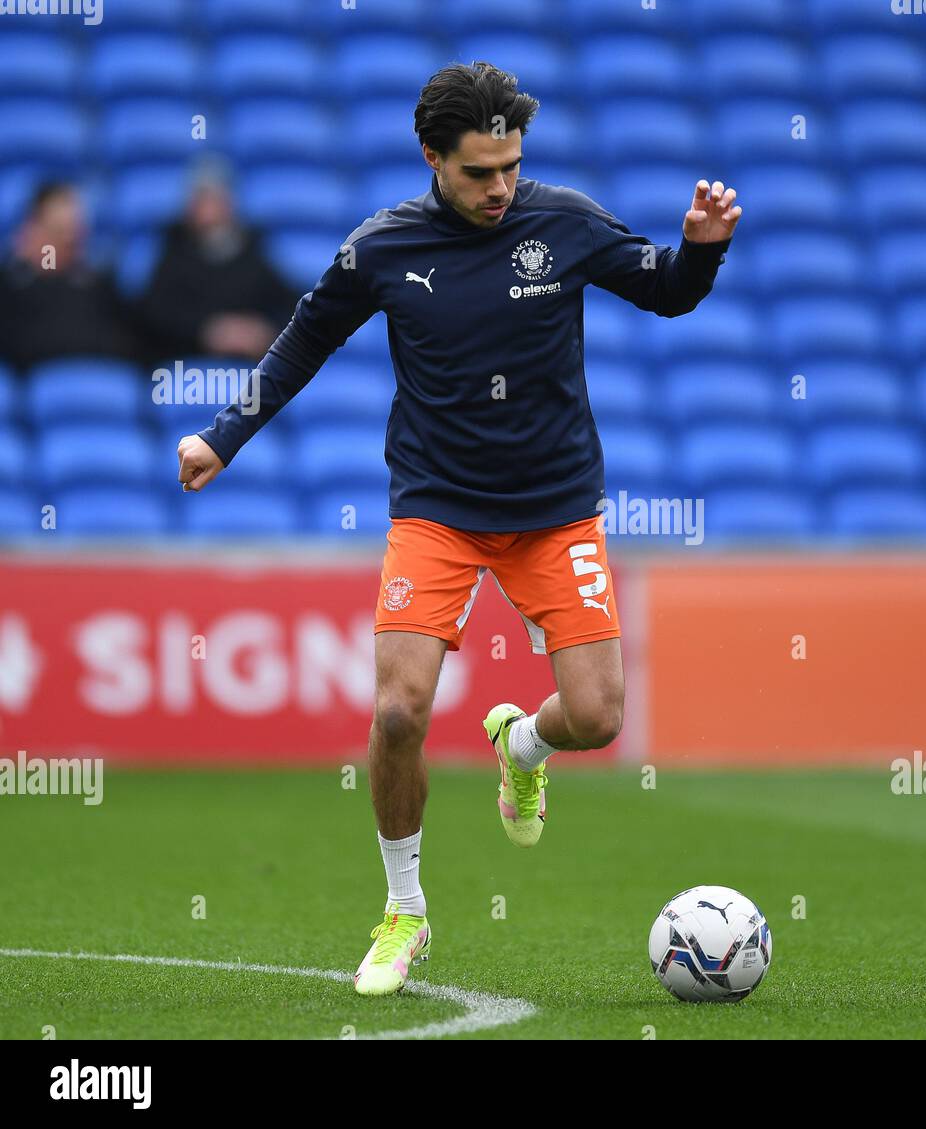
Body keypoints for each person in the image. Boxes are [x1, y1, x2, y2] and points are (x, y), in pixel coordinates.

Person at [176, 61, 740, 996]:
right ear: (432, 158)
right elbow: (303, 341)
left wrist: (703, 248)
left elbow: (670, 292)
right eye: (480, 172)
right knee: (398, 709)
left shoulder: (563, 223)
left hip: (556, 507)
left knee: (597, 718)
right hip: (437, 506)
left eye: (512, 166)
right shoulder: (383, 249)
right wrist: (224, 436)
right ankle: (405, 910)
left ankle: (522, 746)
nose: (501, 188)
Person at [136, 157, 298, 362]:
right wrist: (208, 331)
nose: (209, 209)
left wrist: (261, 331)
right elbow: (152, 315)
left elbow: (289, 304)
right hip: (184, 368)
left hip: (248, 370)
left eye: (215, 198)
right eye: (202, 199)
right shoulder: (172, 250)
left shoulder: (253, 250)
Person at [0, 181, 140, 370]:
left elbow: (125, 343)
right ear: (32, 232)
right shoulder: (12, 287)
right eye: (59, 232)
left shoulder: (98, 284)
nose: (69, 242)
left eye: (75, 232)